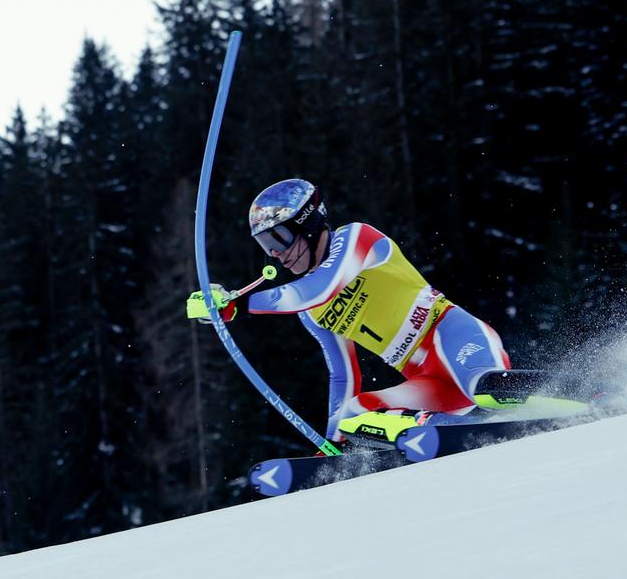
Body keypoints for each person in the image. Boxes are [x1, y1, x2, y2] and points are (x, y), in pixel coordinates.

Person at [189, 177, 511, 444]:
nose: (276, 254)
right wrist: (333, 444)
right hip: (428, 380)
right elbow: (343, 374)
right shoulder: (312, 312)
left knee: (483, 387)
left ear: (308, 223)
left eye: (280, 238)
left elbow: (322, 288)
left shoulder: (357, 238)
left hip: (453, 336)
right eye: (265, 245)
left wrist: (238, 306)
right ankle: (441, 433)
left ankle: (515, 410)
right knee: (352, 416)